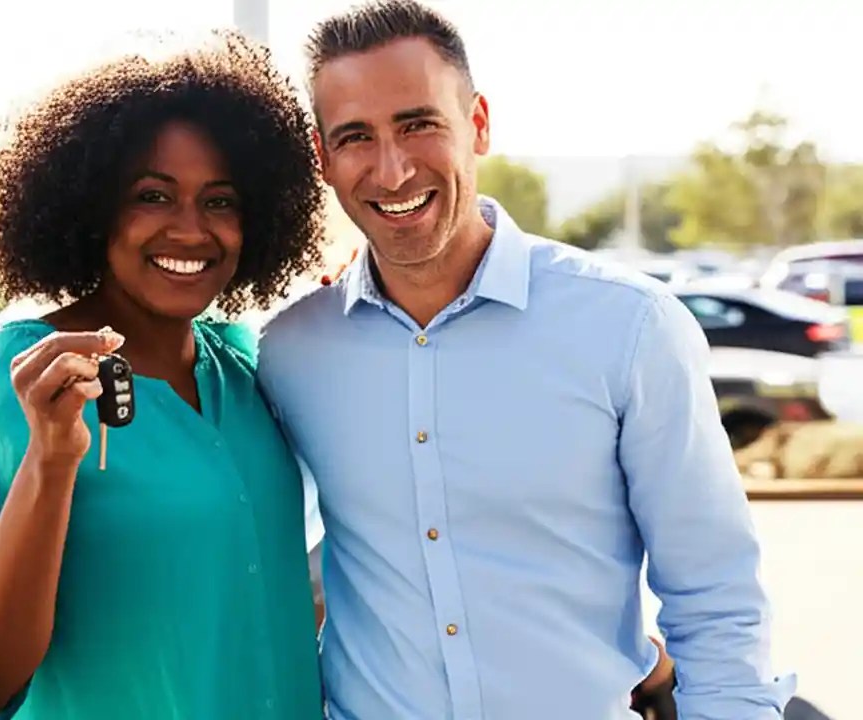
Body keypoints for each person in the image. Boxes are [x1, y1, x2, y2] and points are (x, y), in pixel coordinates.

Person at [257, 1, 797, 718]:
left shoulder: (629, 327)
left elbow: (716, 595)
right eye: (356, 136)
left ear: (477, 123)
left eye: (419, 124)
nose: (391, 169)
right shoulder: (293, 352)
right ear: (323, 158)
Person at [0, 32, 328, 720]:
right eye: (152, 195)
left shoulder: (244, 370)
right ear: (92, 207)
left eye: (220, 200)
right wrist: (51, 463)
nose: (191, 230)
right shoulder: (18, 376)